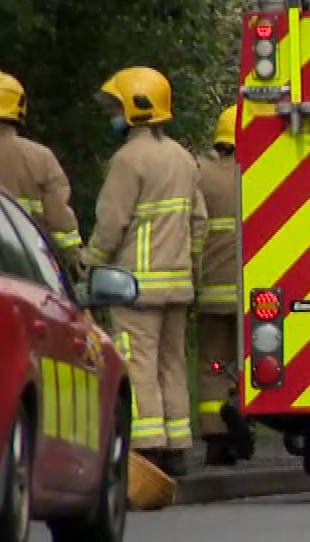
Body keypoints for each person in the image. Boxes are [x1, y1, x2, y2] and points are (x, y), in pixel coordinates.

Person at [87, 66, 208, 477]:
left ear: (135, 108)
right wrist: (194, 269)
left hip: (134, 286)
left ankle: (146, 447)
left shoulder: (127, 160)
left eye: (116, 107)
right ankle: (179, 446)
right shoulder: (184, 159)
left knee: (136, 362)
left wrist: (93, 262)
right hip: (178, 284)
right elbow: (199, 222)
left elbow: (111, 221)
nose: (112, 116)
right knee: (172, 364)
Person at [0, 70, 85, 274]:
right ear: (19, 106)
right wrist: (74, 257)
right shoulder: (41, 157)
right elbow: (60, 220)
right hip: (32, 267)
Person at [196, 104, 253, 467]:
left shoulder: (202, 176)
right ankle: (244, 415)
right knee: (248, 361)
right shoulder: (262, 172)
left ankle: (217, 438)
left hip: (214, 291)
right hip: (255, 294)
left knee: (215, 364)